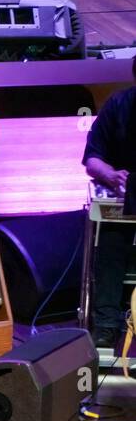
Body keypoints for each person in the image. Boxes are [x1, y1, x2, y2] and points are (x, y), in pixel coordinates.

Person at [82, 58, 136, 350]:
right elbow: (92, 159)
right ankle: (106, 325)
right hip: (124, 195)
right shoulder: (118, 106)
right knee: (111, 244)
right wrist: (111, 175)